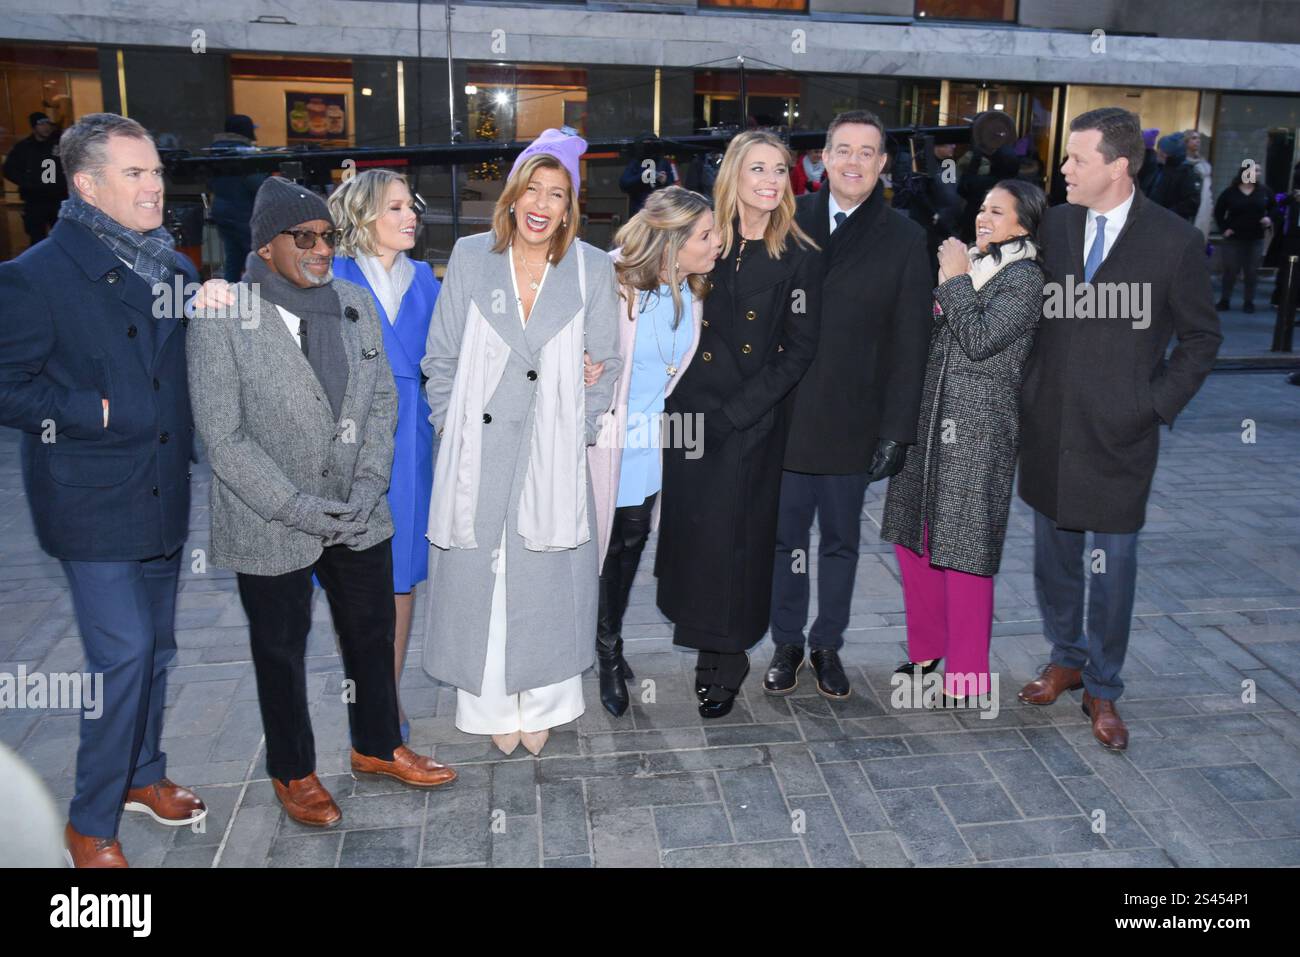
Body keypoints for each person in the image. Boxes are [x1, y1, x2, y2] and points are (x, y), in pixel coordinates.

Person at [188, 176, 456, 829]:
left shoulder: (354, 302)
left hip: (359, 513)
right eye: (302, 238)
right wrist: (296, 507)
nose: (319, 249)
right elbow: (224, 439)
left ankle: (376, 743)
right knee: (280, 648)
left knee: (369, 633)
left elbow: (383, 404)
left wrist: (369, 486)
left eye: (327, 237)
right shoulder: (225, 316)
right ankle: (293, 769)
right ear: (265, 246)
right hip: (270, 522)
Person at [0, 113, 208, 867]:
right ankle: (90, 819)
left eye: (155, 171)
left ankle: (142, 774)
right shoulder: (33, 278)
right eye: (135, 174)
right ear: (86, 186)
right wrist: (94, 410)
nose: (155, 185)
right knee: (120, 656)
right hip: (89, 498)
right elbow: (7, 386)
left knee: (155, 650)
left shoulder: (174, 269)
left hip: (160, 490)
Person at [1017, 107, 1222, 751]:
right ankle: (1066, 657)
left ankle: (1104, 688)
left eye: (1077, 160)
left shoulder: (1174, 241)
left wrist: (1152, 404)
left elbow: (1200, 338)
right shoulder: (1053, 224)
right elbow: (1022, 310)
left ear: (1117, 166)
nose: (1065, 170)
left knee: (1112, 569)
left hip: (1122, 439)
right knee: (1054, 561)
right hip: (1050, 427)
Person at [421, 129, 623, 756]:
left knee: (543, 579)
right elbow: (442, 357)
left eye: (557, 195)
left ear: (570, 207)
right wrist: (449, 426)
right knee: (486, 575)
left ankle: (544, 701)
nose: (542, 204)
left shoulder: (591, 267)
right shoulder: (471, 255)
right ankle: (487, 706)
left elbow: (605, 363)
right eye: (532, 189)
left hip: (551, 456)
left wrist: (578, 428)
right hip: (476, 455)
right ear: (511, 196)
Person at [655, 129, 822, 719]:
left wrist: (737, 414)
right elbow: (648, 280)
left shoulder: (799, 256)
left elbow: (799, 352)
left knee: (733, 545)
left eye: (780, 170)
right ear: (734, 175)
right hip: (684, 412)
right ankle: (695, 638)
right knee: (690, 535)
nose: (771, 181)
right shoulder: (705, 236)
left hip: (746, 421)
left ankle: (722, 661)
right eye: (758, 169)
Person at [766, 110, 931, 700]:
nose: (854, 161)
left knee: (839, 542)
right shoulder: (787, 221)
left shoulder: (907, 237)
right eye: (843, 150)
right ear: (824, 159)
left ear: (883, 163)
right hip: (785, 414)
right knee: (785, 542)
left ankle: (826, 643)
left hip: (854, 423)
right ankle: (786, 640)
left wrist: (898, 428)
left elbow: (912, 342)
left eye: (867, 151)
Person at [882, 180, 1047, 703]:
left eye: (997, 212)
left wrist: (953, 279)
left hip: (979, 431)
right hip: (928, 421)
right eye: (981, 209)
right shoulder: (975, 265)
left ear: (1022, 224)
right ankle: (926, 652)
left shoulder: (1026, 278)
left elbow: (979, 340)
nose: (983, 218)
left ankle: (969, 674)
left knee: (965, 550)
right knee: (918, 541)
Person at [588, 186, 720, 717]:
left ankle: (611, 636)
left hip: (652, 439)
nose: (717, 243)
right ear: (671, 240)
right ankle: (605, 651)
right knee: (600, 546)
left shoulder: (694, 291)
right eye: (706, 235)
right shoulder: (612, 279)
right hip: (605, 437)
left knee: (632, 542)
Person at [329, 169, 441, 743]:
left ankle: (385, 699)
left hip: (413, 448)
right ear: (362, 218)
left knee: (400, 581)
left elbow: (458, 353)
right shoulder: (331, 275)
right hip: (352, 448)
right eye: (394, 208)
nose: (409, 217)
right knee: (357, 581)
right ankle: (370, 699)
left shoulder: (426, 279)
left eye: (410, 206)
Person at [208, 114, 267, 281]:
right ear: (246, 131)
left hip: (222, 211)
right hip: (244, 212)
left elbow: (210, 183)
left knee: (233, 257)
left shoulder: (215, 152)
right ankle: (257, 296)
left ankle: (231, 292)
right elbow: (257, 184)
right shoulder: (245, 153)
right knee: (256, 257)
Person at [2, 111, 68, 248]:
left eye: (47, 124)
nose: (46, 127)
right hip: (35, 200)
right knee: (37, 240)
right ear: (34, 127)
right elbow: (8, 169)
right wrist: (26, 182)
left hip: (58, 199)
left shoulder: (59, 144)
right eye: (41, 124)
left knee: (63, 238)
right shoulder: (24, 147)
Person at [1214, 164, 1274, 313]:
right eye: (1255, 171)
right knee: (1230, 270)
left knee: (1251, 271)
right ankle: (1224, 300)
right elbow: (1219, 211)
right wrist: (1224, 228)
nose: (1258, 174)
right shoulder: (1230, 192)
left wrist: (1269, 218)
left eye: (1259, 171)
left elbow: (1275, 208)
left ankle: (1249, 301)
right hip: (1234, 238)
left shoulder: (1264, 192)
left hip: (1255, 238)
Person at [1148, 132, 1203, 222]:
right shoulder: (1159, 168)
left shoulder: (1185, 173)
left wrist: (1167, 214)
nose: (1157, 152)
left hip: (1169, 225)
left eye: (1160, 149)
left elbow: (1192, 202)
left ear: (1166, 154)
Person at [620, 134, 678, 217]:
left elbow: (676, 190)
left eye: (652, 144)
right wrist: (643, 176)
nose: (649, 147)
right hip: (639, 212)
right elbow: (624, 184)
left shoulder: (665, 162)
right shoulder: (636, 163)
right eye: (646, 145)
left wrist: (665, 182)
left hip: (661, 212)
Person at [1185, 130, 1214, 240]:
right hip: (1189, 204)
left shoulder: (1203, 163)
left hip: (1203, 202)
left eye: (1198, 139)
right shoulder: (1183, 163)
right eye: (1193, 138)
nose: (1197, 141)